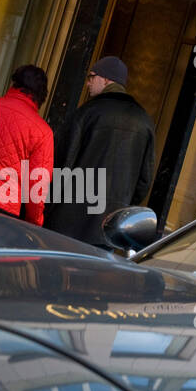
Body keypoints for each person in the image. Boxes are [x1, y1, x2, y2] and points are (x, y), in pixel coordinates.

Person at [44, 55, 154, 247]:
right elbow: (144, 181)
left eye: (91, 77)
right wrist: (121, 204)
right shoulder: (144, 121)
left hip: (69, 221)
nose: (88, 83)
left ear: (106, 79)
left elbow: (62, 162)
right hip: (109, 228)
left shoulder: (87, 112)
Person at [0, 65, 54, 225]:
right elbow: (36, 187)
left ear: (14, 83)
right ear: (42, 95)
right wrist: (34, 222)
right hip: (4, 208)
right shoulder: (43, 132)